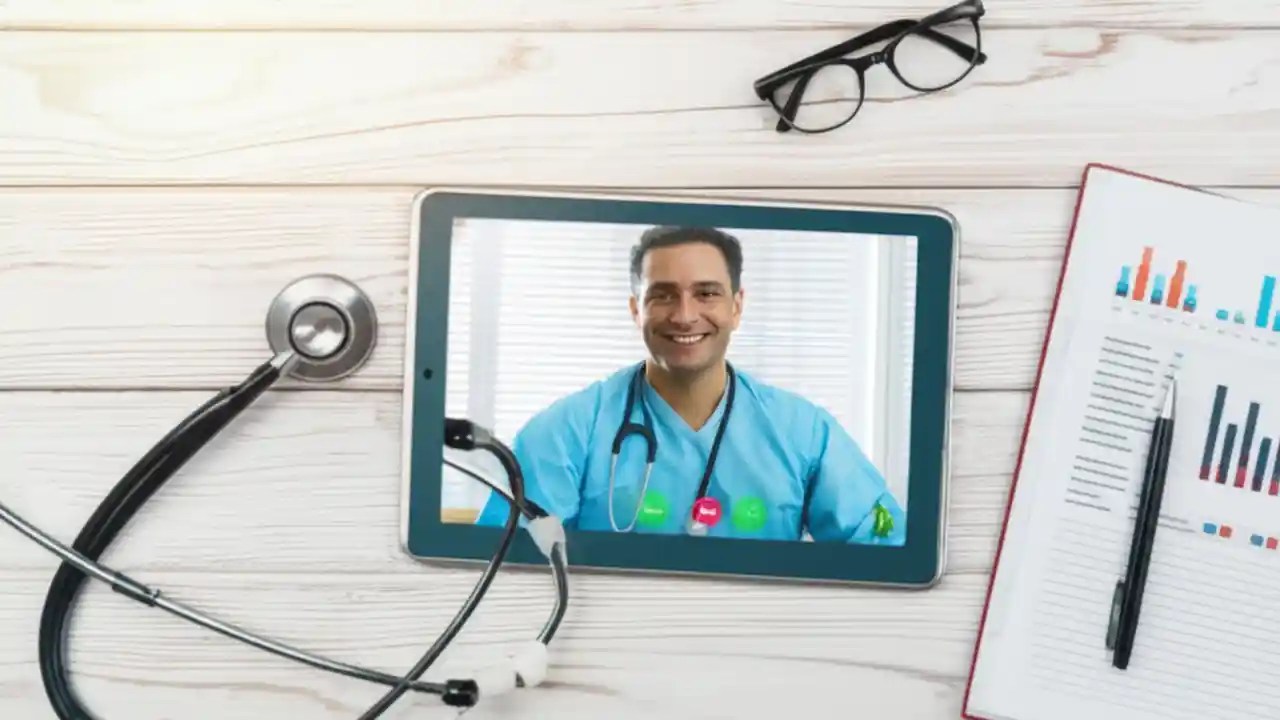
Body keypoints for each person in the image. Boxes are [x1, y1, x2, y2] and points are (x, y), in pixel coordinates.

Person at [474, 225, 905, 545]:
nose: (684, 316)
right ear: (636, 310)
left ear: (737, 306)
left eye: (707, 293)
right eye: (662, 295)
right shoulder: (563, 433)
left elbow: (885, 545)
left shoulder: (805, 433)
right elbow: (501, 565)